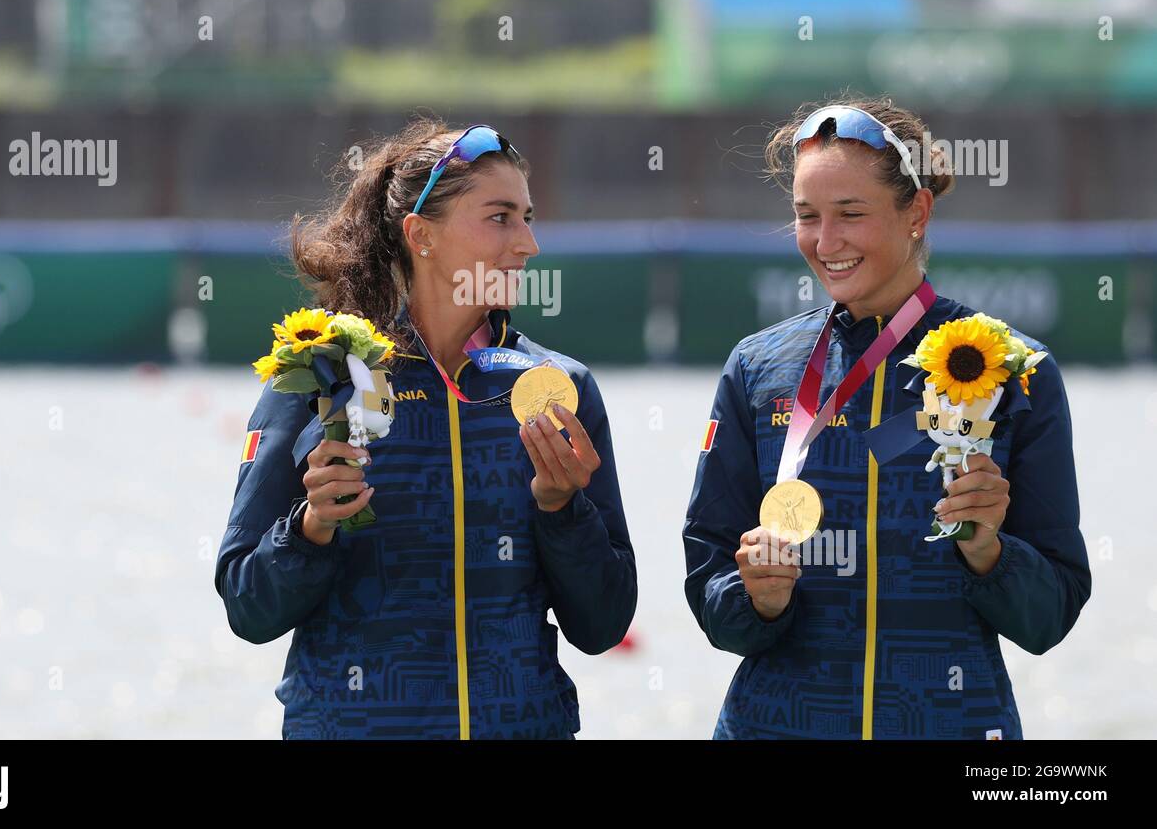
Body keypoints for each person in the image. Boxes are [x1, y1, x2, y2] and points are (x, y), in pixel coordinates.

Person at [216, 117, 637, 739]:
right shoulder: (321, 375)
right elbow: (247, 607)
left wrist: (561, 510)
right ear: (422, 235)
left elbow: (602, 627)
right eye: (501, 217)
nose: (528, 243)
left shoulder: (558, 389)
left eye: (528, 217)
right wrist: (310, 529)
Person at [683, 97, 1090, 739]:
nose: (825, 242)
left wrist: (987, 551)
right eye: (806, 217)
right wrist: (753, 597)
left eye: (850, 214)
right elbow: (709, 591)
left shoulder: (1014, 371)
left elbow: (1051, 616)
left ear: (917, 213)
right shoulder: (756, 369)